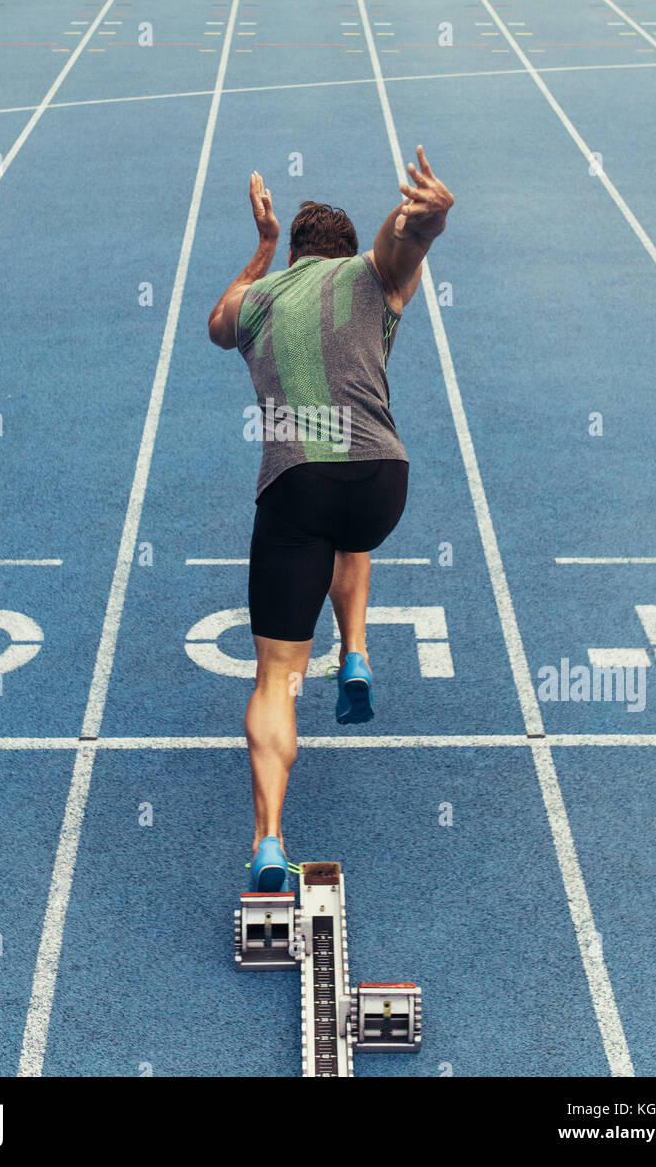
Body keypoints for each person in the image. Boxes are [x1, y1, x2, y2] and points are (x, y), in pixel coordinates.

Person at [208, 146, 454, 891]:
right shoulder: (371, 280)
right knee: (353, 536)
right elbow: (400, 243)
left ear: (291, 254)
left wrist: (256, 250)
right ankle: (354, 652)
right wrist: (428, 219)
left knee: (276, 677)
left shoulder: (259, 298)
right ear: (344, 254)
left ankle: (270, 840)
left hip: (297, 482)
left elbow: (217, 324)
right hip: (383, 479)